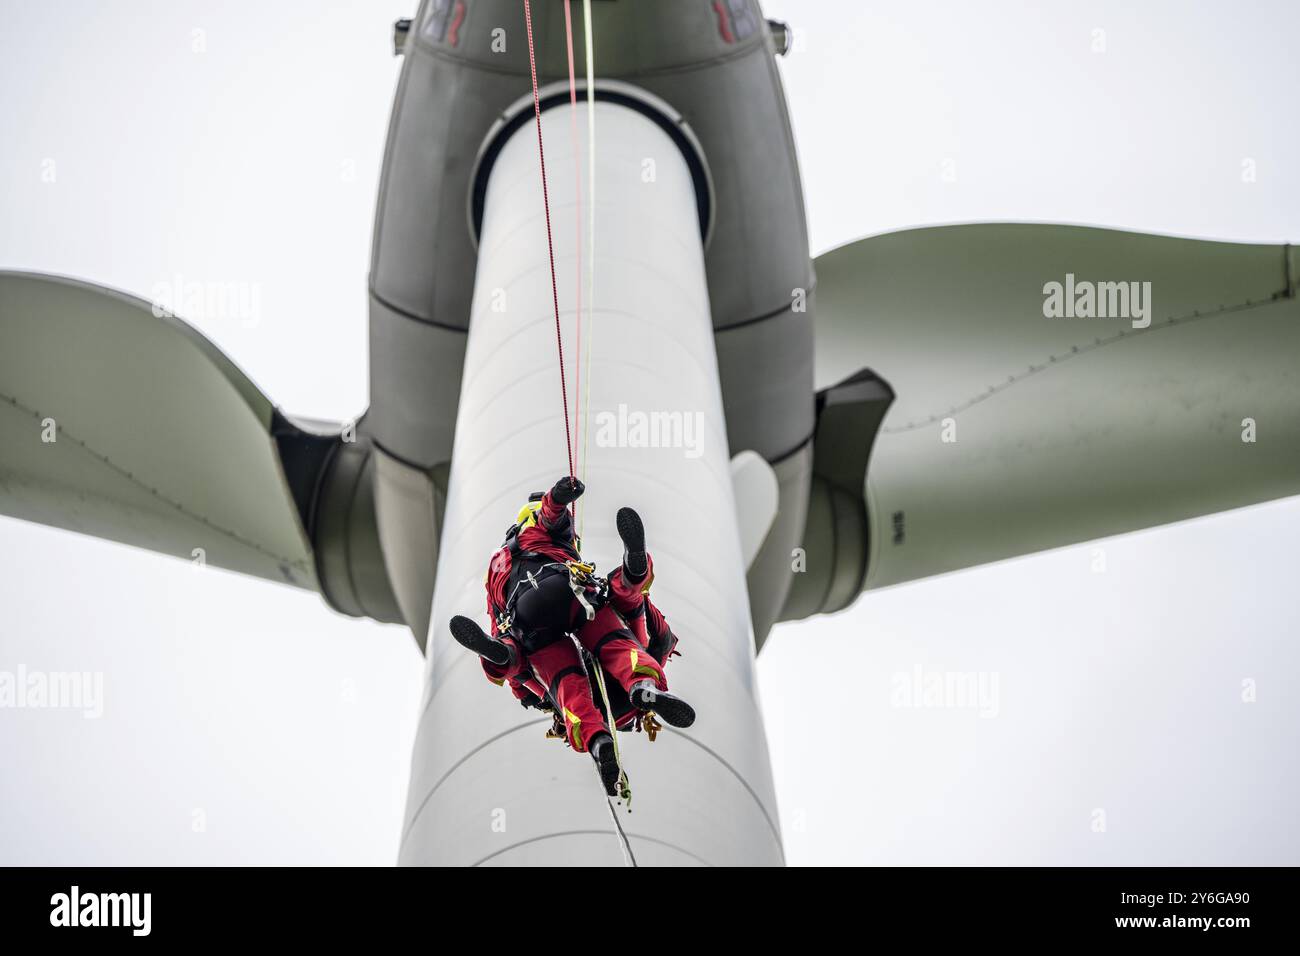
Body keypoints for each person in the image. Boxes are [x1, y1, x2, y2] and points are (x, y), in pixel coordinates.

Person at [448, 476, 694, 795]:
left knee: (557, 679)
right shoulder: (540, 533)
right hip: (571, 595)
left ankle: (596, 740)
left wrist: (514, 674)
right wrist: (559, 497)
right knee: (618, 641)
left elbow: (500, 627)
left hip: (527, 617)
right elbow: (554, 515)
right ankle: (642, 680)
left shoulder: (496, 572)